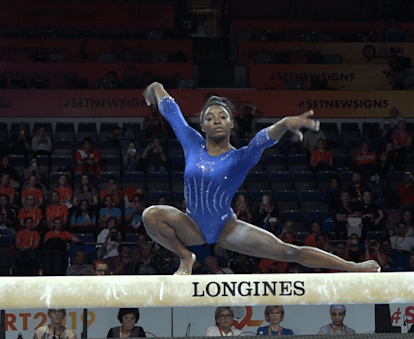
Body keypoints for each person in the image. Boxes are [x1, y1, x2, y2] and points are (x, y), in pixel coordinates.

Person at [140, 83, 380, 275]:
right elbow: (172, 113)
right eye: (210, 117)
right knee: (151, 215)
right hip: (190, 225)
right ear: (202, 125)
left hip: (226, 227)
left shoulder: (240, 158)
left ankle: (353, 267)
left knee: (288, 252)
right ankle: (185, 257)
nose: (216, 119)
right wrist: (156, 86)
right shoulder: (192, 143)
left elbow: (262, 140)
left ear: (232, 123)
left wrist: (285, 123)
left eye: (222, 116)